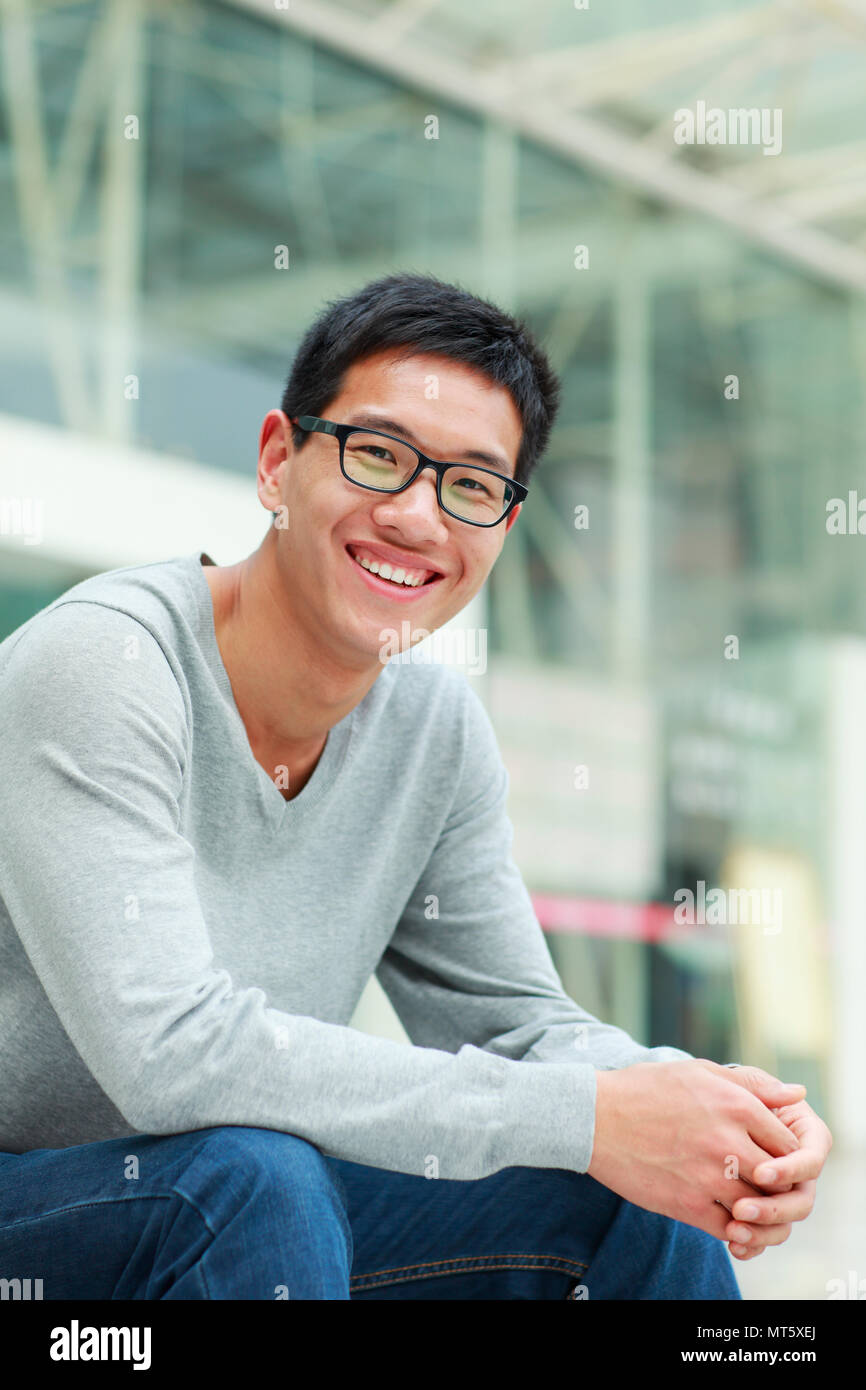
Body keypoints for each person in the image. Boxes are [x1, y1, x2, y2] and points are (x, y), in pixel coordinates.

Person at [0, 272, 831, 1300]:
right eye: (378, 454)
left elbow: (517, 1028)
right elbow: (169, 1052)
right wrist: (588, 1117)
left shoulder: (432, 731)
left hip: (244, 1198)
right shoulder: (105, 666)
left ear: (500, 524)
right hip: (35, 1204)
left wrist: (705, 1108)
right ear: (276, 461)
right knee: (254, 1176)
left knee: (622, 1192)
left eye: (472, 485)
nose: (415, 515)